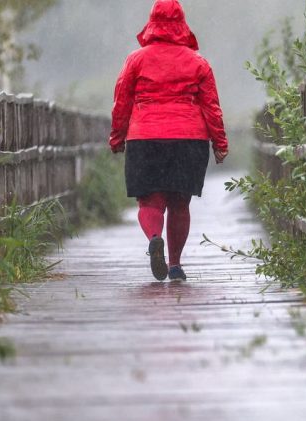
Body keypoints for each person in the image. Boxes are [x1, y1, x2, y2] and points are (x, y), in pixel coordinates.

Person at [109, 0, 228, 282]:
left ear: (151, 24)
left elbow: (121, 101)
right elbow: (211, 106)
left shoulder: (135, 60)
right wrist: (219, 143)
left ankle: (154, 238)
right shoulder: (198, 63)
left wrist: (117, 137)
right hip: (188, 138)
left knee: (149, 201)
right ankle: (174, 264)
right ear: (182, 25)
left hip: (146, 136)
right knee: (179, 203)